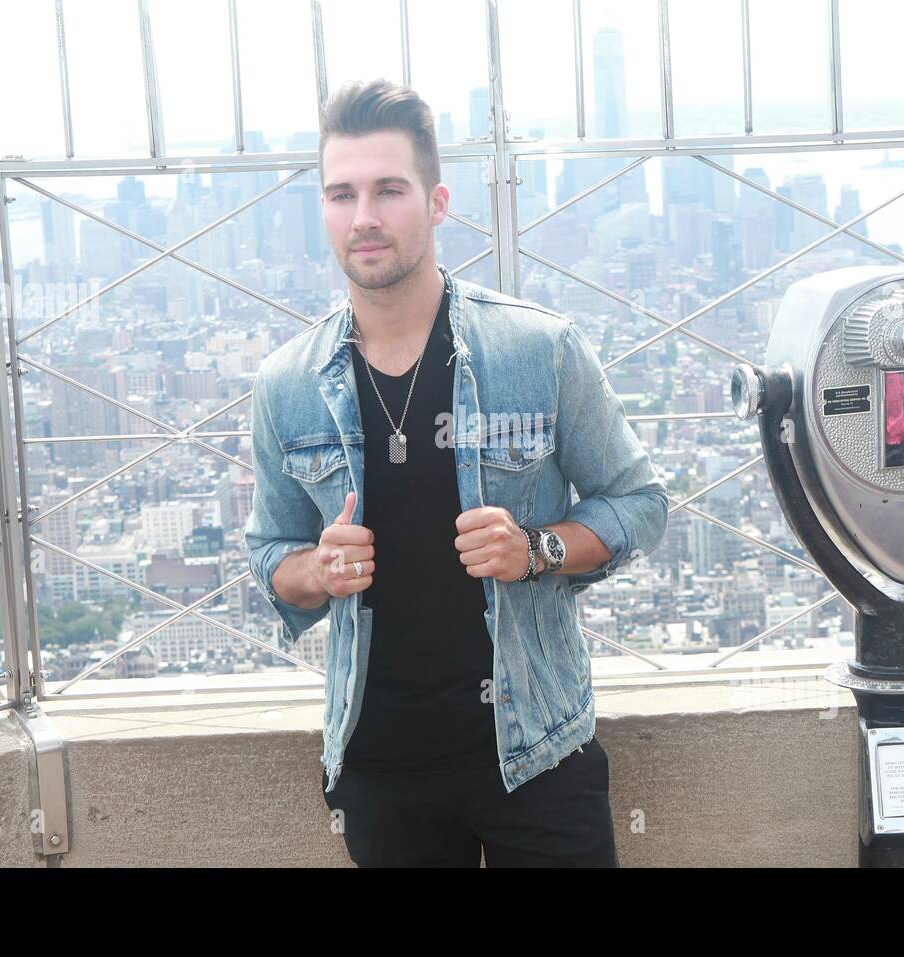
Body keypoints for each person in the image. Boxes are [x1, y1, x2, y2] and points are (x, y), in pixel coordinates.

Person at [244, 78, 668, 867]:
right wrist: (319, 567)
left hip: (536, 751)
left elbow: (641, 502)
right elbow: (271, 559)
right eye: (341, 194)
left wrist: (536, 549)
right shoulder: (286, 385)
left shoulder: (539, 350)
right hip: (380, 770)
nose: (363, 216)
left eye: (388, 190)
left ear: (437, 203)